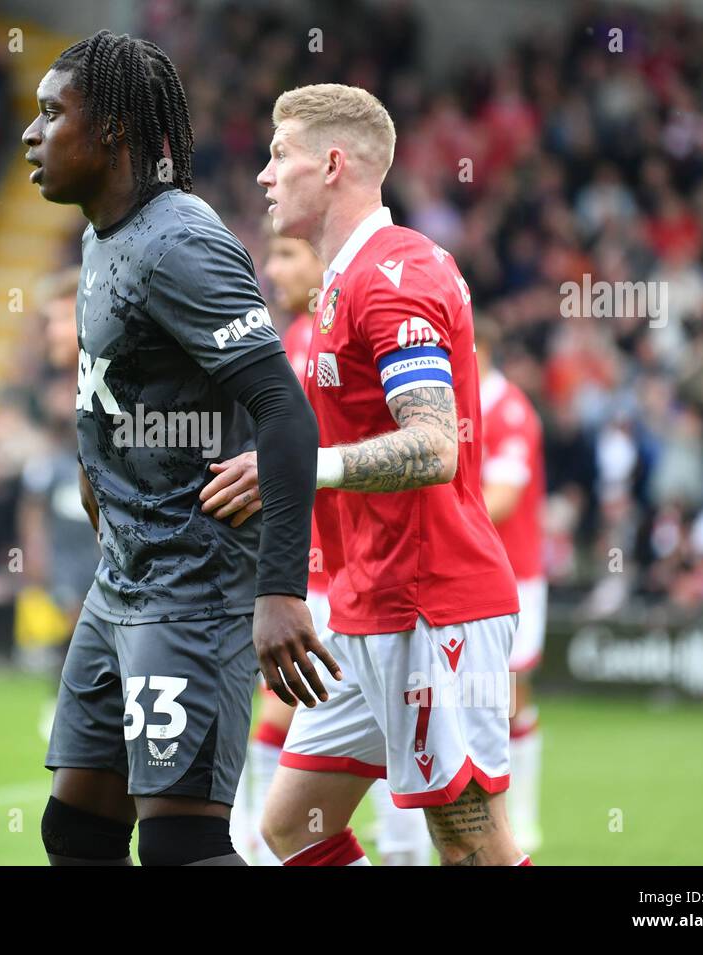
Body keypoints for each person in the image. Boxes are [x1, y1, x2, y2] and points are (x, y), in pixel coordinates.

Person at [21, 30, 326, 866]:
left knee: (181, 847)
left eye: (53, 113)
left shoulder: (181, 244)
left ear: (114, 130)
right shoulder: (98, 237)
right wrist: (97, 483)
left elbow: (284, 411)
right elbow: (114, 391)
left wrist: (279, 592)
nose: (31, 133)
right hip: (121, 581)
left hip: (193, 589)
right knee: (76, 831)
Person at [204, 84, 528, 865]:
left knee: (468, 839)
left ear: (334, 164)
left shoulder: (395, 273)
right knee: (290, 823)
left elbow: (433, 445)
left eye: (280, 155)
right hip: (365, 606)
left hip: (432, 602)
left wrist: (299, 466)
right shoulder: (340, 286)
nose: (263, 175)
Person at [217, 231, 429, 865]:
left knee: (449, 803)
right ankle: (254, 841)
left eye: (286, 256)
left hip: (376, 580)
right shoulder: (289, 344)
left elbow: (428, 448)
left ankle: (393, 850)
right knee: (300, 773)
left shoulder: (346, 331)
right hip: (321, 573)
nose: (272, 270)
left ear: (324, 263)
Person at [476, 323, 548, 852]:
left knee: (511, 698)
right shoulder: (455, 404)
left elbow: (501, 499)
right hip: (473, 573)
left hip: (515, 575)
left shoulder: (510, 411)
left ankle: (522, 817)